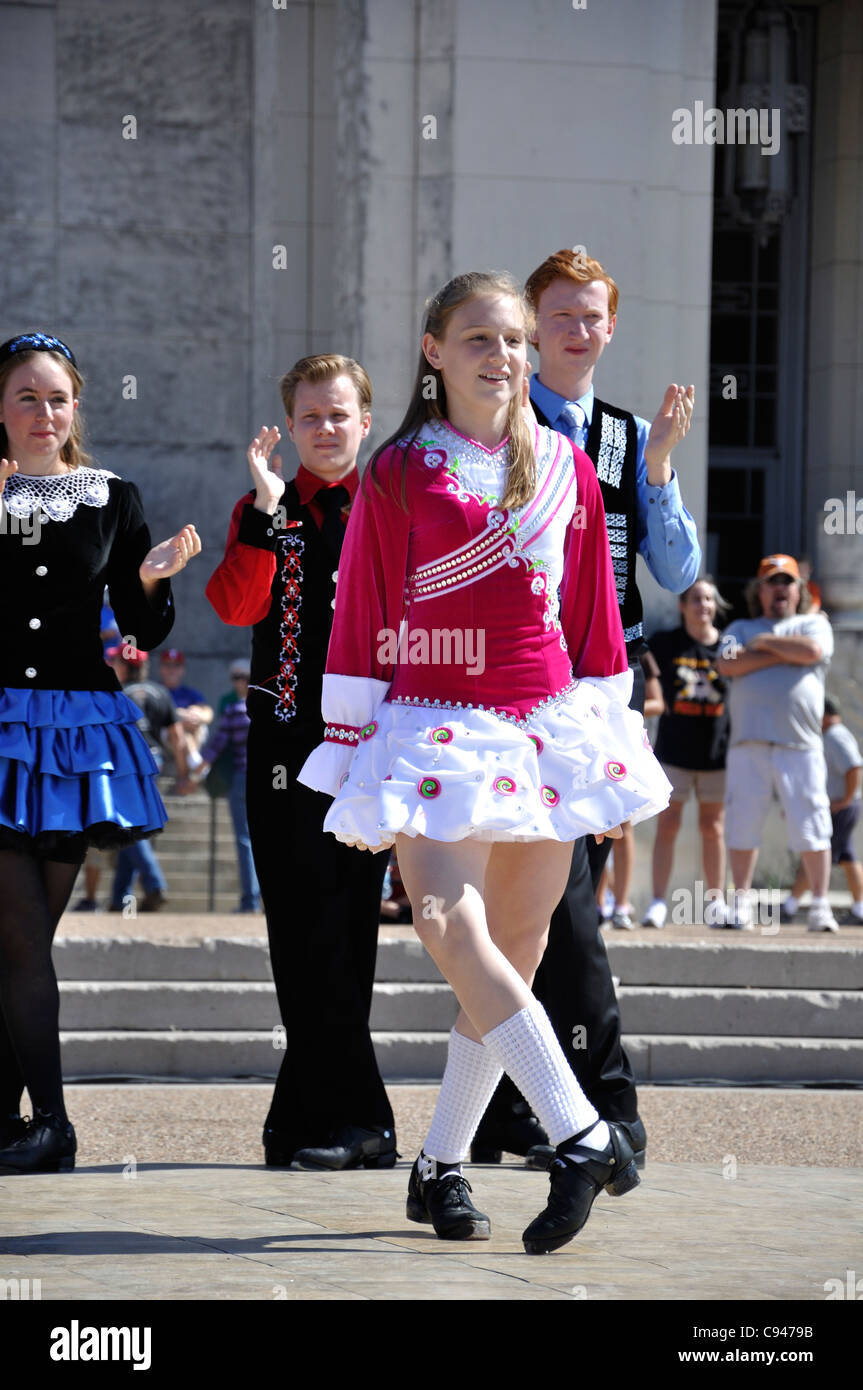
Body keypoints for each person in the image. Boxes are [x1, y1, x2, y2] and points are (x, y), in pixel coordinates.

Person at [299, 272, 671, 1254]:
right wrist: (349, 740)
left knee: (508, 957)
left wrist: (604, 733)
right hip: (430, 720)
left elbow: (592, 617)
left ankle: (438, 1167)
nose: (499, 356)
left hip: (545, 725)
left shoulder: (567, 467)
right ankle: (579, 1131)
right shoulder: (396, 472)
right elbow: (363, 611)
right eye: (475, 339)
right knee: (444, 923)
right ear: (433, 351)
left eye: (510, 340)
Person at [475, 249, 701, 1168]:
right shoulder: (495, 422)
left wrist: (656, 472)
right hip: (503, 681)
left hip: (598, 686)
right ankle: (592, 1101)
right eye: (558, 315)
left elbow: (679, 573)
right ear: (533, 325)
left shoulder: (624, 435)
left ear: (610, 326)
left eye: (590, 316)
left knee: (566, 899)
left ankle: (551, 1105)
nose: (575, 330)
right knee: (533, 908)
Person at [0, 331, 199, 1172]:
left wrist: (152, 580)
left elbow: (143, 628)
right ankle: (45, 1121)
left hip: (76, 733)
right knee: (13, 939)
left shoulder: (112, 496)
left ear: (78, 406)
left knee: (24, 943)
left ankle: (41, 1123)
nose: (44, 413)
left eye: (58, 398)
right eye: (26, 398)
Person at [206, 353, 396, 1170]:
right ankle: (318, 1114)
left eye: (339, 415)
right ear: (288, 428)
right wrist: (263, 507)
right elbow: (234, 605)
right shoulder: (267, 510)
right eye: (310, 417)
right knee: (296, 931)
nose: (326, 429)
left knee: (346, 932)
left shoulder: (393, 508)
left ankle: (352, 1120)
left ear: (364, 419)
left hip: (368, 746)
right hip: (282, 748)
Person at [717, 554, 837, 932]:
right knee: (742, 827)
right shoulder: (739, 625)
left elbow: (811, 653)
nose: (780, 588)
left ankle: (820, 905)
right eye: (772, 581)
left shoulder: (814, 624)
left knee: (812, 824)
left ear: (798, 590)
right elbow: (728, 663)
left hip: (799, 745)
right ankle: (741, 904)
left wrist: (764, 644)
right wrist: (783, 652)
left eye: (787, 581)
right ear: (760, 590)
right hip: (747, 744)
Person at [642, 578, 730, 928]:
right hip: (674, 750)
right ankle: (659, 902)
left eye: (708, 599)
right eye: (695, 599)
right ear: (682, 606)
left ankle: (716, 902)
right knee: (669, 823)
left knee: (714, 827)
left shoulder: (729, 645)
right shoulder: (666, 643)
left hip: (716, 753)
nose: (703, 606)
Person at [105, 645, 188, 912]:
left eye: (115, 660)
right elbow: (176, 735)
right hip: (154, 761)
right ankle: (120, 897)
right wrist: (183, 772)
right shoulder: (159, 692)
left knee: (128, 825)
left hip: (125, 764)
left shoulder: (116, 694)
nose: (112, 664)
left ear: (125, 666)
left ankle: (154, 884)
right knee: (133, 823)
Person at [597, 647, 664, 930]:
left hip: (624, 741)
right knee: (592, 824)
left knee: (623, 825)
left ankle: (621, 904)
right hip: (595, 741)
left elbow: (658, 702)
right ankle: (600, 903)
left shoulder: (640, 649)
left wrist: (620, 710)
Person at [781, 696, 863, 926]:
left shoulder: (835, 736)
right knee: (847, 857)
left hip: (841, 806)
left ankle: (790, 905)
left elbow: (854, 766)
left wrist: (845, 799)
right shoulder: (834, 735)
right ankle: (860, 908)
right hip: (842, 805)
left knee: (815, 851)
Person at [187, 658, 261, 914]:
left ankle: (250, 900)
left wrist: (194, 774)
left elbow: (216, 747)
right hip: (270, 781)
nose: (238, 681)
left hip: (242, 779)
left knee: (245, 841)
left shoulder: (235, 711)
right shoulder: (270, 707)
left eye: (242, 676)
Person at [157, 647, 213, 770]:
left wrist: (197, 716)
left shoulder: (189, 692)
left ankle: (189, 767)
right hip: (166, 736)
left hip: (190, 733)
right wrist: (182, 715)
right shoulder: (156, 690)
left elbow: (208, 712)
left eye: (176, 666)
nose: (172, 670)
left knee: (196, 722)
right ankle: (192, 768)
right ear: (161, 668)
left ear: (182, 669)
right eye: (168, 665)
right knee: (176, 727)